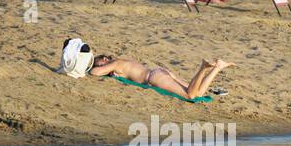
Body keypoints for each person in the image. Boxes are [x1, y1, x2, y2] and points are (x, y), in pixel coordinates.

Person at [90, 53, 231, 101]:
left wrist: (99, 69)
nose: (102, 68)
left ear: (104, 59)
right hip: (159, 72)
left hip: (154, 77)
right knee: (198, 92)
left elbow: (94, 72)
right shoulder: (121, 61)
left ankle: (203, 68)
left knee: (190, 96)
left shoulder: (115, 64)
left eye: (100, 63)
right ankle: (218, 67)